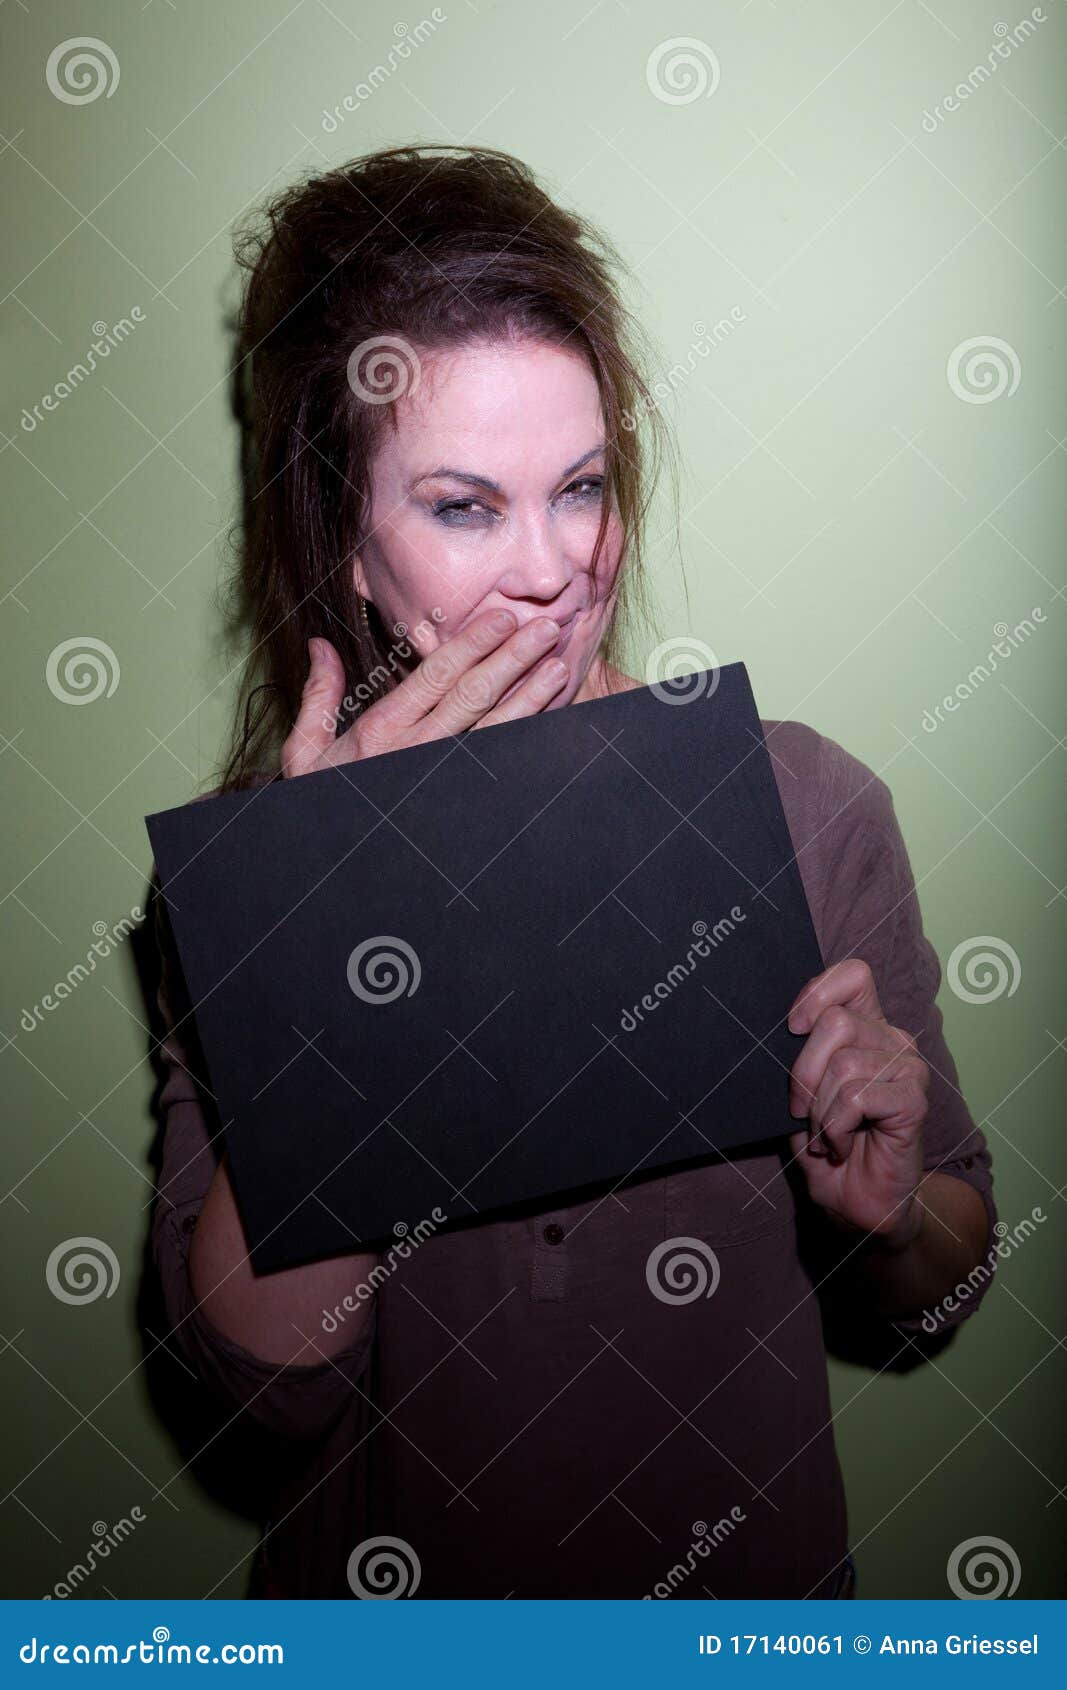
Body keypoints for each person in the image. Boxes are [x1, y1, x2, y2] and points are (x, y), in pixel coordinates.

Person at [149, 144, 996, 1600]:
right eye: (464, 505)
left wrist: (896, 1212)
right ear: (348, 544)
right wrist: (327, 922)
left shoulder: (802, 800)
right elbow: (254, 1398)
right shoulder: (250, 879)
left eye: (583, 487)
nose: (553, 570)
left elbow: (949, 1276)